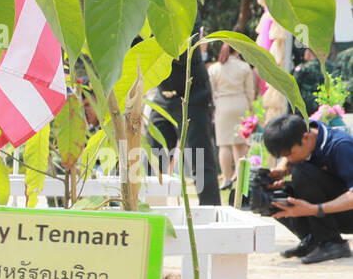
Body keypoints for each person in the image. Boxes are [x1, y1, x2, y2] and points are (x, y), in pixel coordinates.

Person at [261, 114, 353, 263]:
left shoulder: (341, 146)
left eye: (290, 154)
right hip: (334, 206)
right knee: (274, 193)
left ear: (306, 138)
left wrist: (315, 209)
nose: (289, 159)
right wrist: (281, 170)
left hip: (348, 213)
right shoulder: (300, 129)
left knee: (301, 173)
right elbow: (288, 157)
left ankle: (332, 243)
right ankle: (313, 239)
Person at [148, 40, 220, 206]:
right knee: (154, 156)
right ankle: (152, 210)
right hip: (162, 95)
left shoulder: (188, 15)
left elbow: (181, 47)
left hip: (192, 93)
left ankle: (210, 212)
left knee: (199, 157)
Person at [208, 43, 256, 187]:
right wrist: (250, 106)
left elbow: (211, 90)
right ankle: (240, 178)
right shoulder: (244, 67)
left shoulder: (215, 68)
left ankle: (226, 178)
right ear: (237, 51)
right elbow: (250, 90)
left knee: (224, 144)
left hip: (223, 104)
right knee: (240, 143)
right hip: (240, 103)